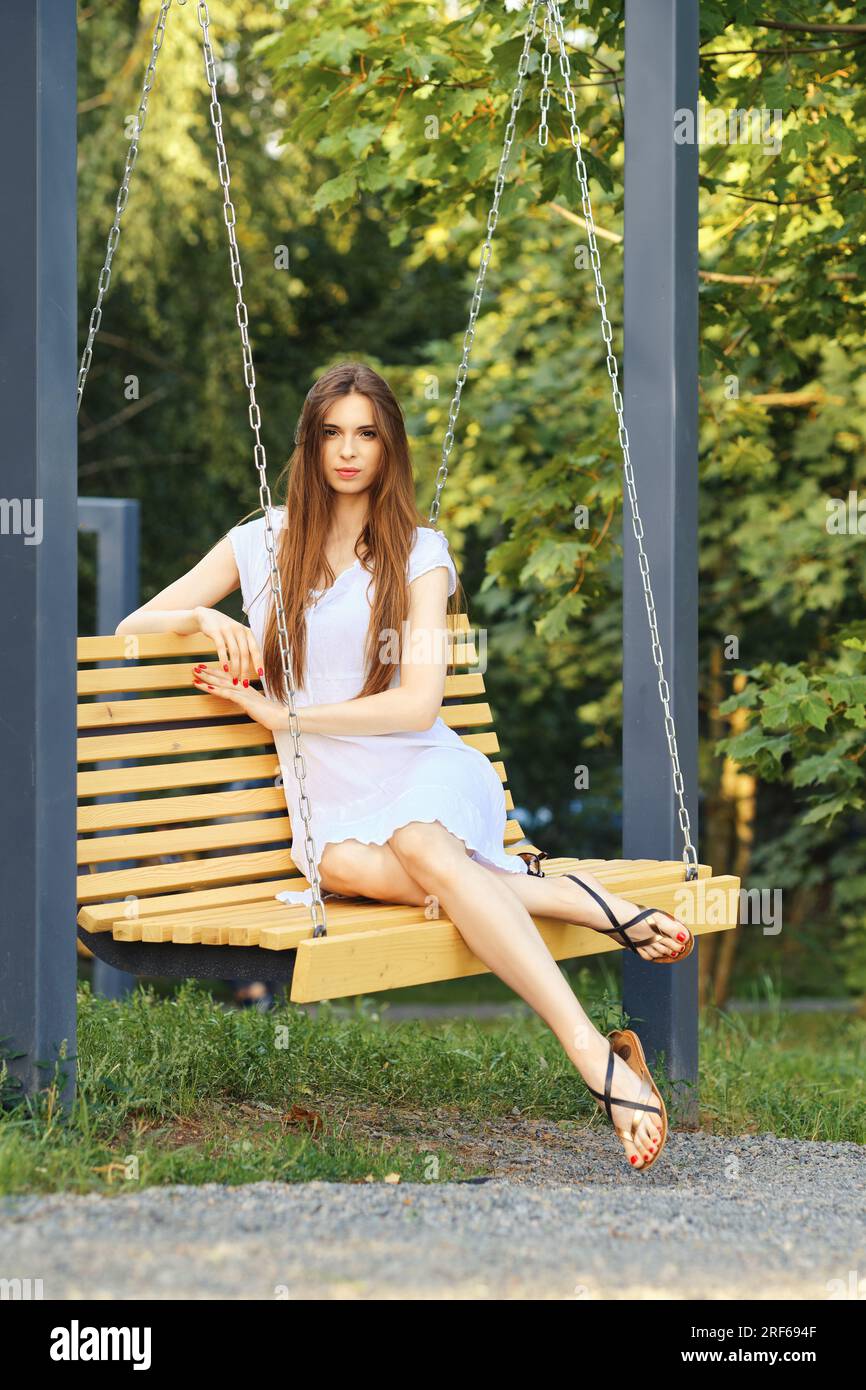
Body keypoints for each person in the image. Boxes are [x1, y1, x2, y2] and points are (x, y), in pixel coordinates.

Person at [115, 361, 694, 1172]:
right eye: (332, 433)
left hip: (424, 770)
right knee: (351, 862)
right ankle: (573, 898)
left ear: (389, 448)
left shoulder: (418, 553)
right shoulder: (261, 542)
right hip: (332, 809)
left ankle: (594, 1057)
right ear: (309, 443)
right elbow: (133, 625)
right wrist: (206, 618)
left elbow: (418, 705)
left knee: (424, 847)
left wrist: (293, 716)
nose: (348, 451)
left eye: (367, 434)